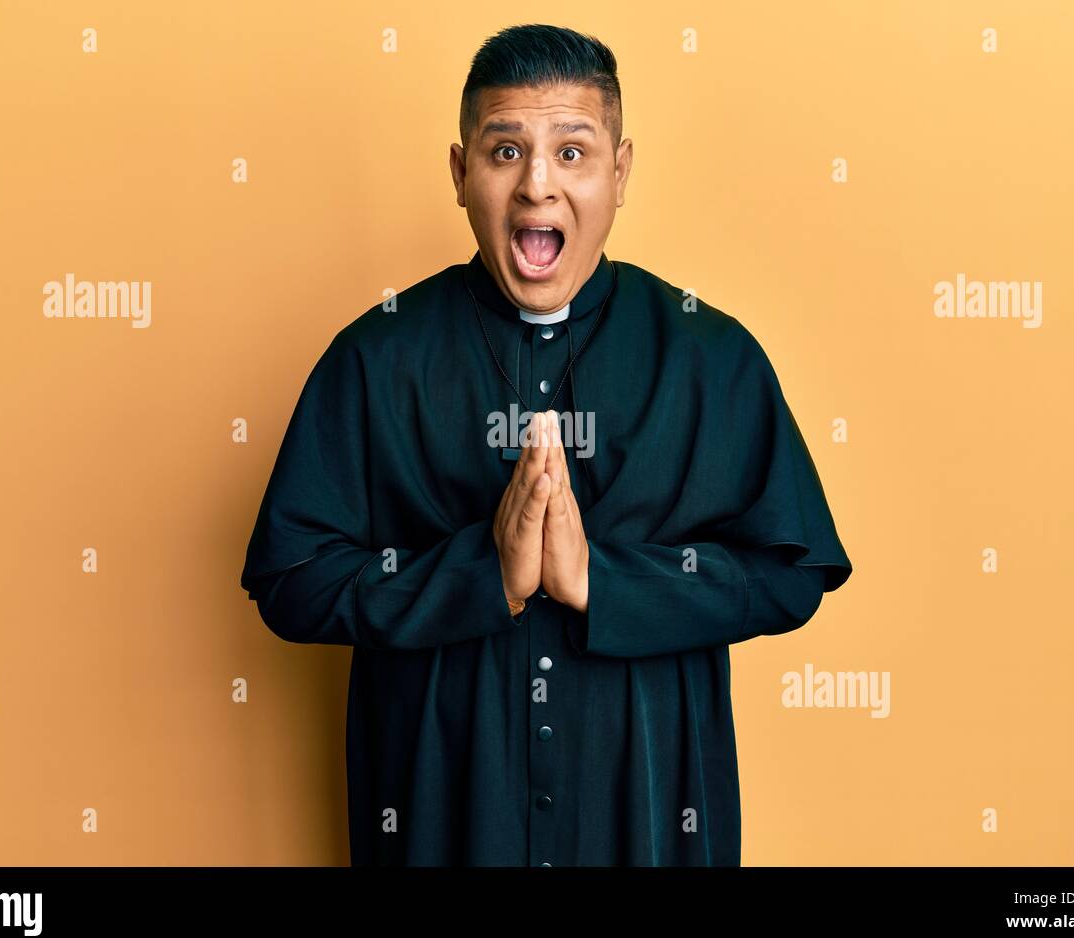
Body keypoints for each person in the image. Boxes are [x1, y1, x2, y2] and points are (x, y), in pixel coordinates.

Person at [239, 23, 852, 866]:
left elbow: (793, 576)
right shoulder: (376, 357)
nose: (538, 187)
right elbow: (291, 582)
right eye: (504, 152)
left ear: (620, 171)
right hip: (440, 817)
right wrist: (478, 574)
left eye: (572, 152)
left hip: (647, 817)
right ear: (460, 174)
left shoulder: (710, 358)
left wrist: (602, 581)